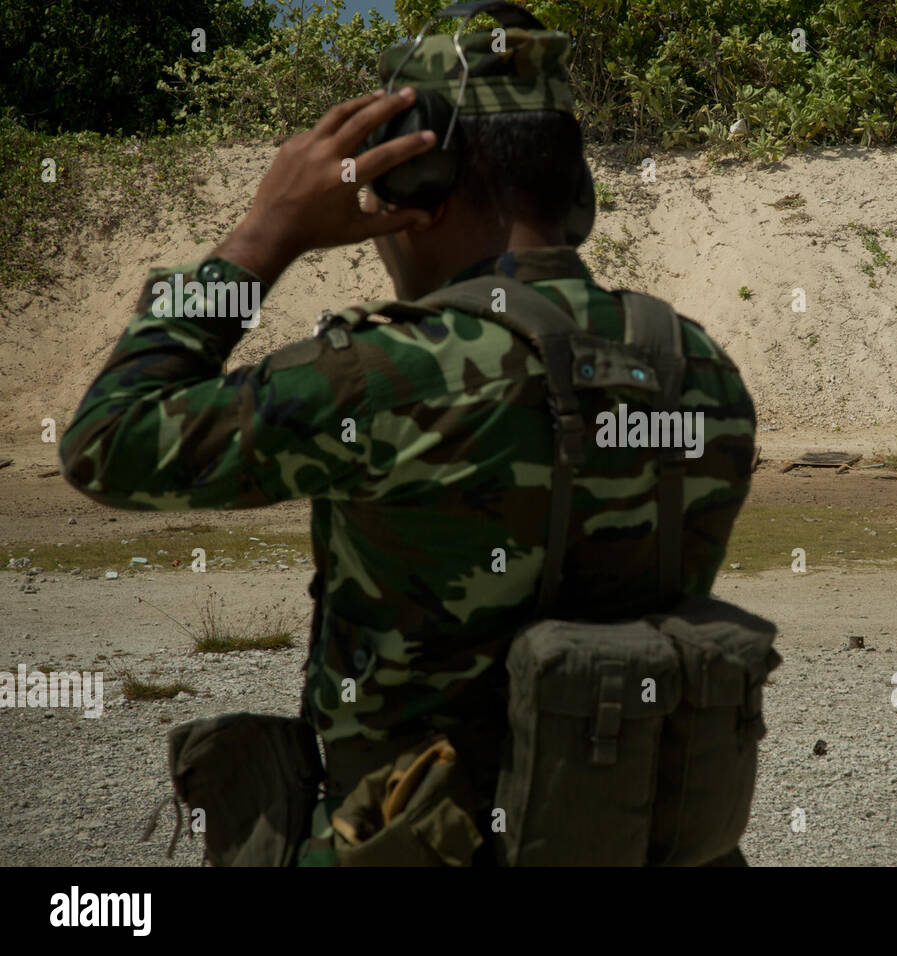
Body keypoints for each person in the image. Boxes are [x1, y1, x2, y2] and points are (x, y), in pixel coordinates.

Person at [60, 11, 757, 865]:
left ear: (421, 178)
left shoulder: (383, 374)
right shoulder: (697, 366)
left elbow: (106, 436)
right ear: (574, 183)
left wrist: (263, 235)